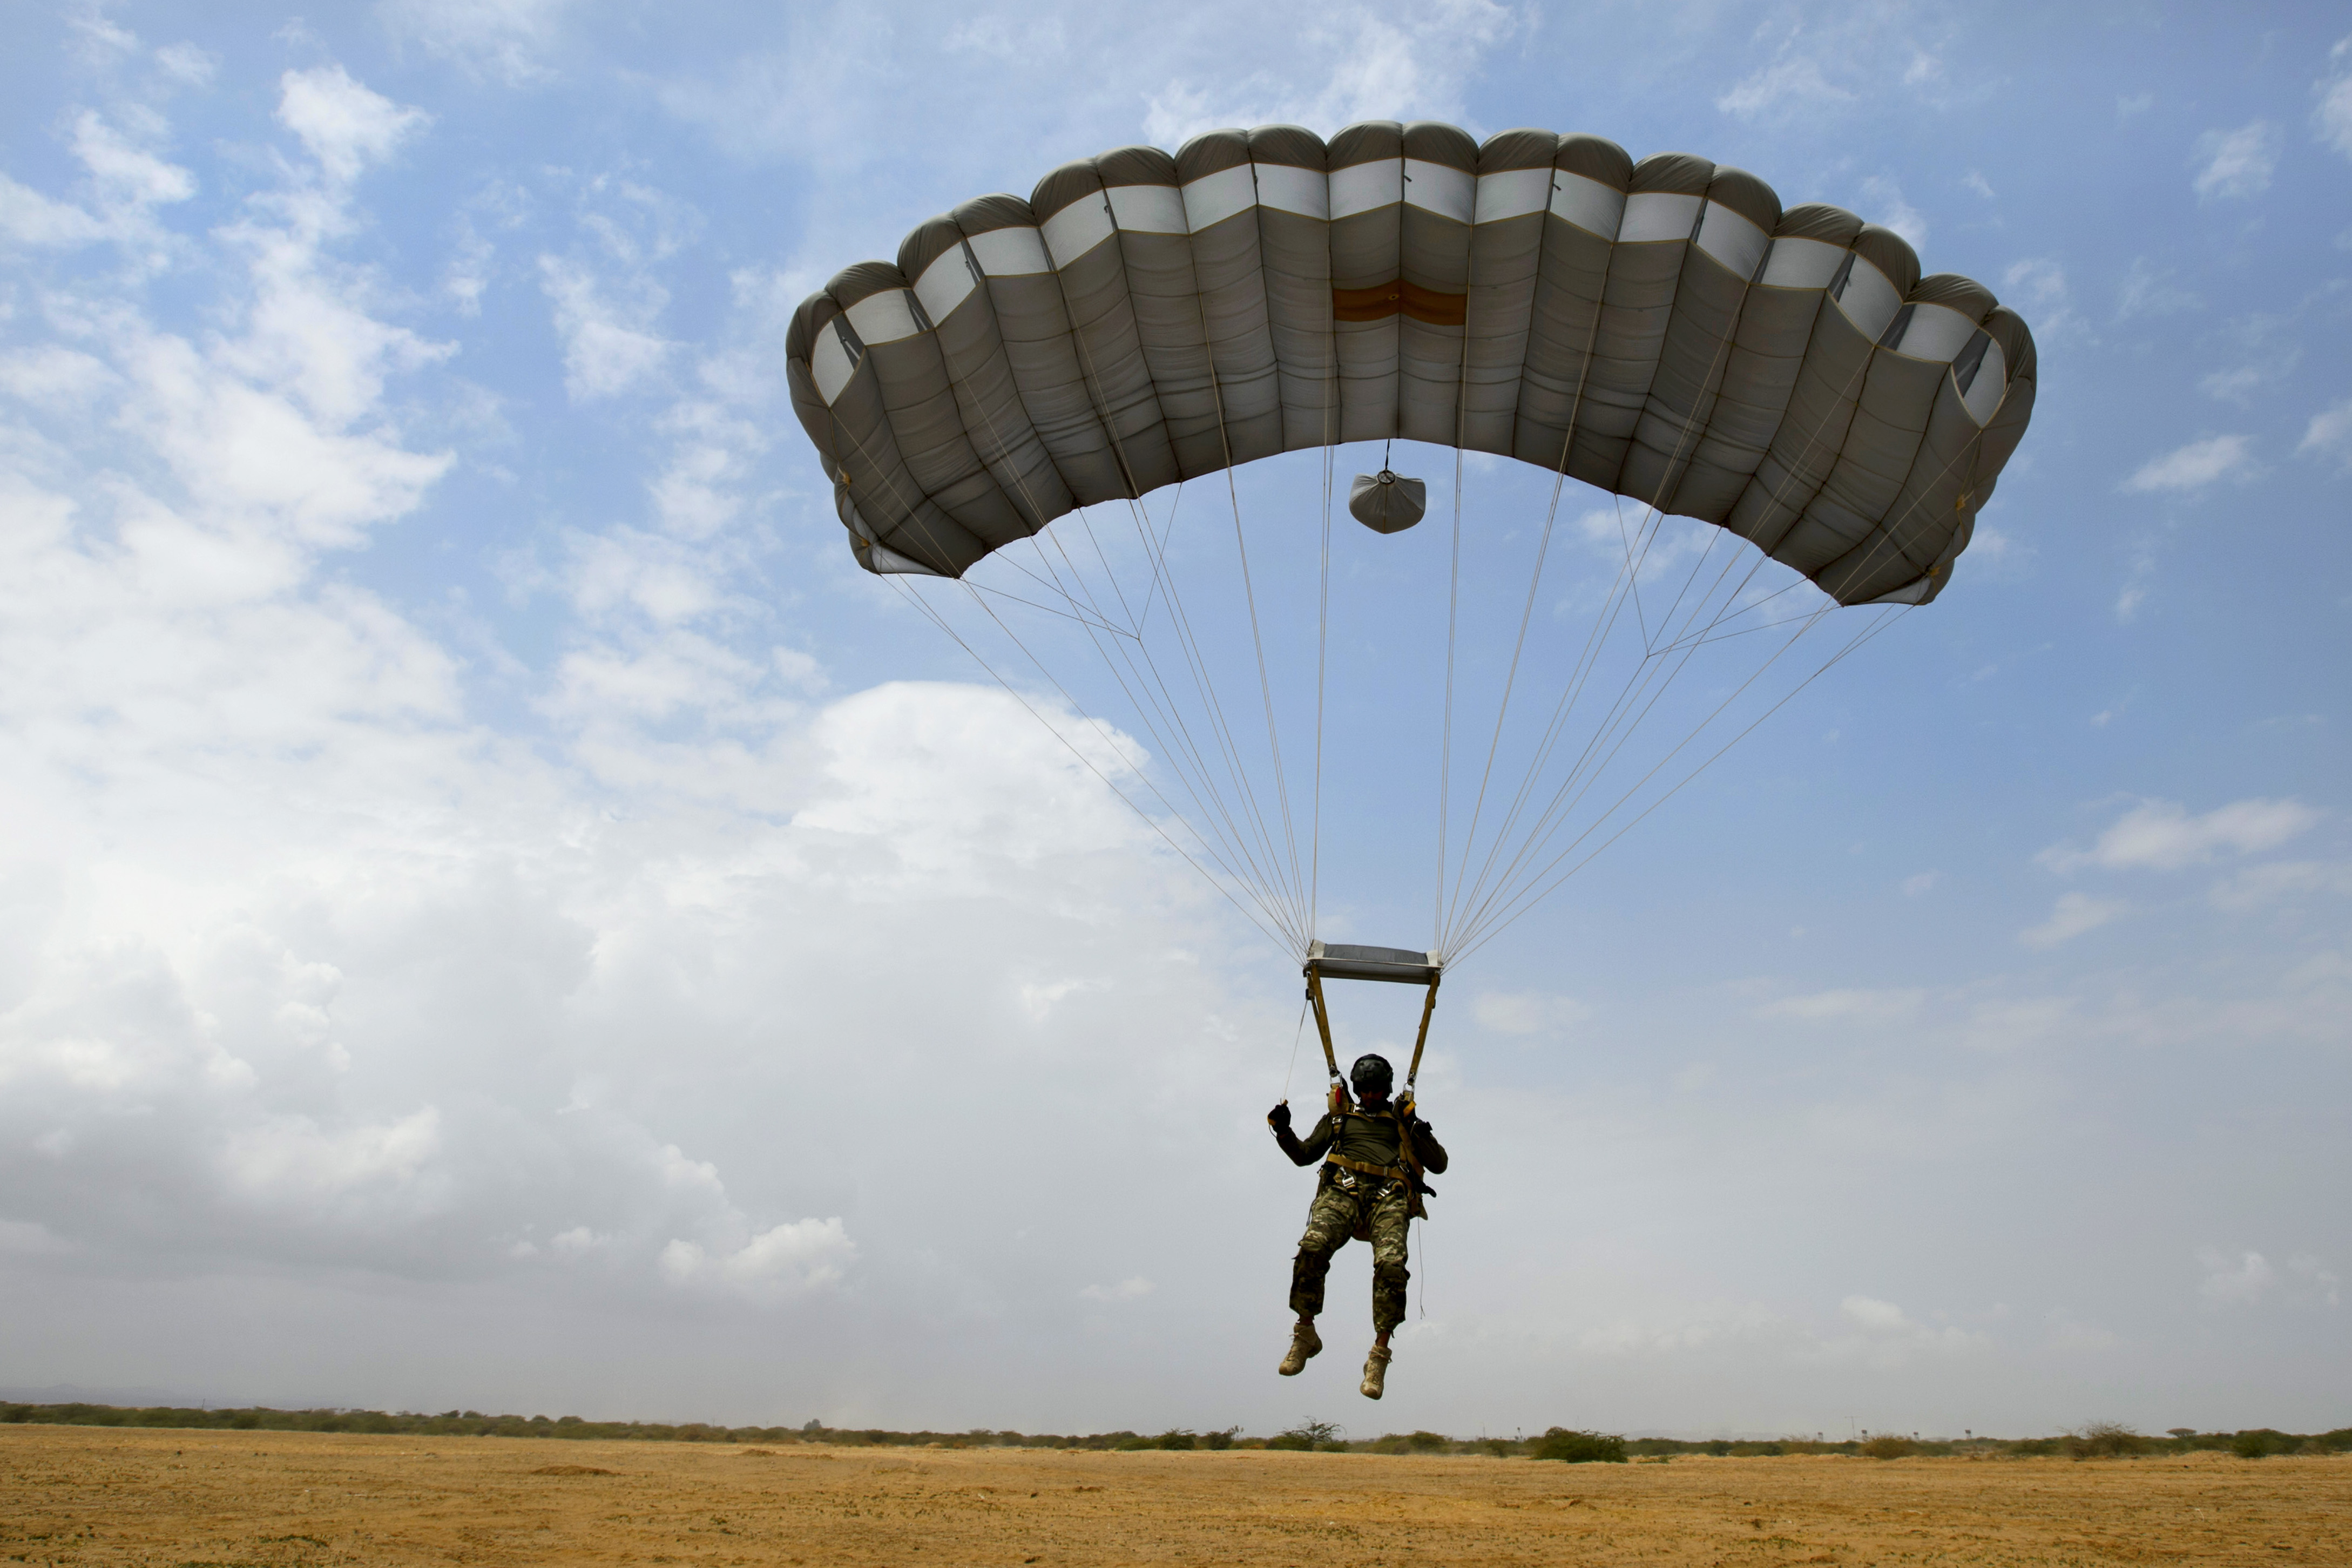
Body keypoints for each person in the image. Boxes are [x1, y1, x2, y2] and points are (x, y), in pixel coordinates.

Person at [1266, 1052, 1448, 1400]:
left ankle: (1379, 1356)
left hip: (1388, 1195)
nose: (1369, 1097)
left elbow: (1438, 1165)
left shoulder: (1400, 1122)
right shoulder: (1339, 1120)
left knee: (1392, 1267)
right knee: (1312, 1249)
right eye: (1364, 1090)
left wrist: (1415, 1127)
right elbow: (1305, 1155)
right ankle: (1305, 1334)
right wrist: (1283, 1130)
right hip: (1343, 1190)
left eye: (1376, 1091)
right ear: (1356, 1088)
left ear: (1387, 1089)